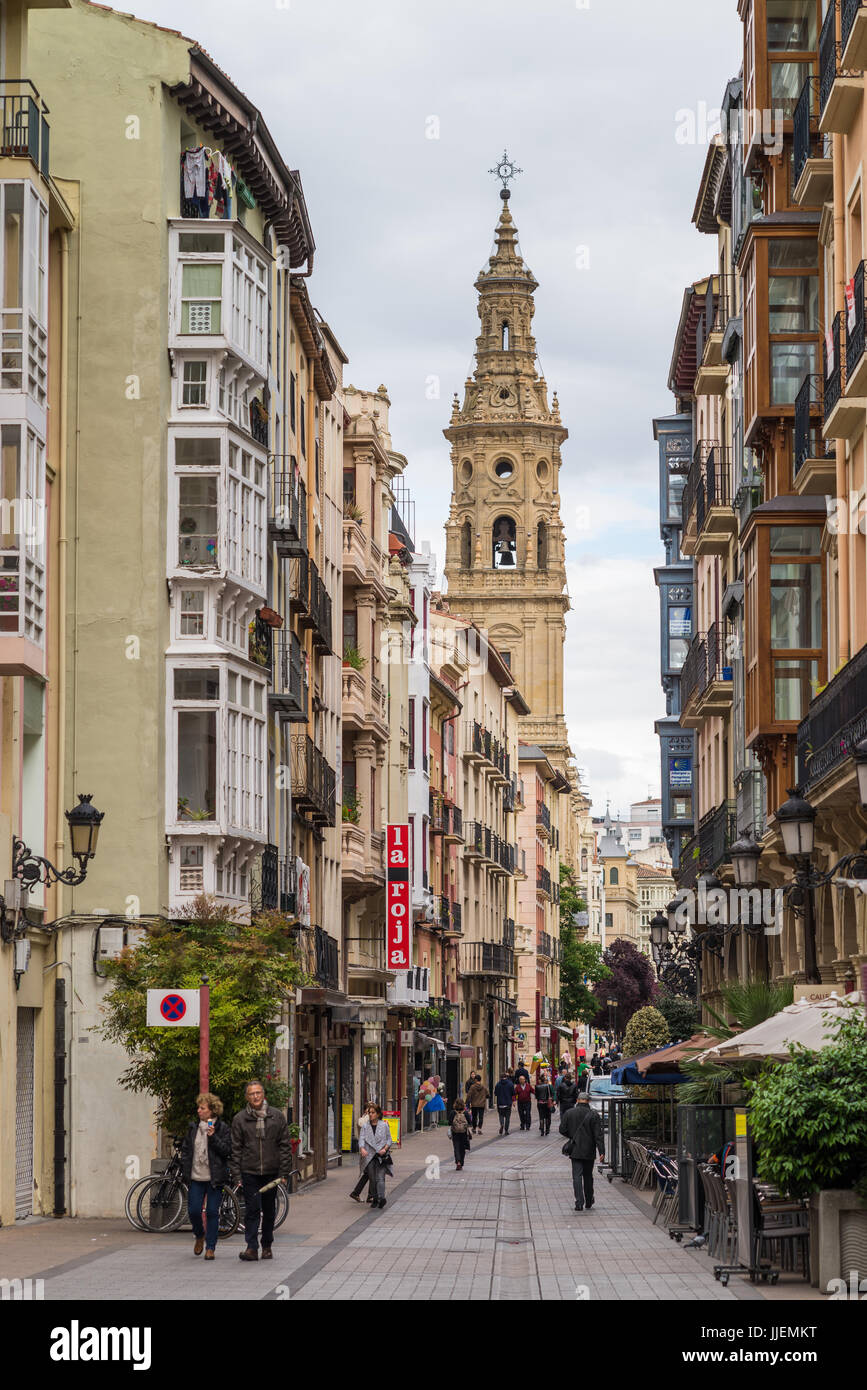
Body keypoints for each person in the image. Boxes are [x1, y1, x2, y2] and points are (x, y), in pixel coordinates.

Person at [231, 1079, 291, 1262]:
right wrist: (236, 1175)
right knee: (252, 1210)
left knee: (269, 1210)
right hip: (250, 1171)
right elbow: (236, 1149)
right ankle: (251, 1247)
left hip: (271, 1172)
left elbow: (284, 1146)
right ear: (247, 1097)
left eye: (258, 1093)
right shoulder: (240, 1119)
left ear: (263, 1094)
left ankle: (267, 1246)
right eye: (251, 1094)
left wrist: (284, 1173)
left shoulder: (276, 1116)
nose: (255, 1096)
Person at [180, 1091, 231, 1261]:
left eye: (202, 1108)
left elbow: (226, 1151)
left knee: (212, 1212)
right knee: (193, 1211)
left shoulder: (222, 1128)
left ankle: (210, 1247)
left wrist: (213, 1137)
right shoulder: (193, 1128)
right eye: (199, 1108)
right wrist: (184, 1167)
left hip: (214, 1178)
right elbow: (187, 1150)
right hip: (196, 1177)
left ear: (212, 1111)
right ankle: (199, 1235)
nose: (199, 1111)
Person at [559, 1093, 605, 1211]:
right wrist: (601, 1151)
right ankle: (589, 1200)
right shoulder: (593, 1114)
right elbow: (598, 1135)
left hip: (575, 1149)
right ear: (588, 1101)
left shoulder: (569, 1113)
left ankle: (579, 1202)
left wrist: (572, 1136)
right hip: (589, 1149)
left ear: (577, 1100)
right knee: (588, 1176)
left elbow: (562, 1129)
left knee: (577, 1176)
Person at [358, 1102, 393, 1208]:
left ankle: (382, 1198)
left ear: (378, 1114)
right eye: (369, 1113)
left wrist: (385, 1148)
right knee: (373, 1179)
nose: (371, 1114)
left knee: (380, 1178)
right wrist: (362, 1149)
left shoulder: (384, 1125)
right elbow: (361, 1138)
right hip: (369, 1156)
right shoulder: (365, 1126)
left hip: (381, 1156)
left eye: (373, 1112)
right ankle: (375, 1197)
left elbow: (389, 1139)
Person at [448, 1097, 471, 1170]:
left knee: (456, 1147)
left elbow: (449, 1122)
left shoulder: (453, 1112)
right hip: (464, 1132)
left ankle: (458, 1162)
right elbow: (470, 1122)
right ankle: (461, 1162)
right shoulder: (466, 1113)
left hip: (455, 1132)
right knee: (462, 1148)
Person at [534, 1069, 554, 1136]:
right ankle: (547, 1130)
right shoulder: (547, 1086)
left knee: (541, 1117)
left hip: (540, 1103)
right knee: (547, 1116)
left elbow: (536, 1096)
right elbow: (550, 1094)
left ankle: (542, 1131)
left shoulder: (537, 1086)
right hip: (546, 1102)